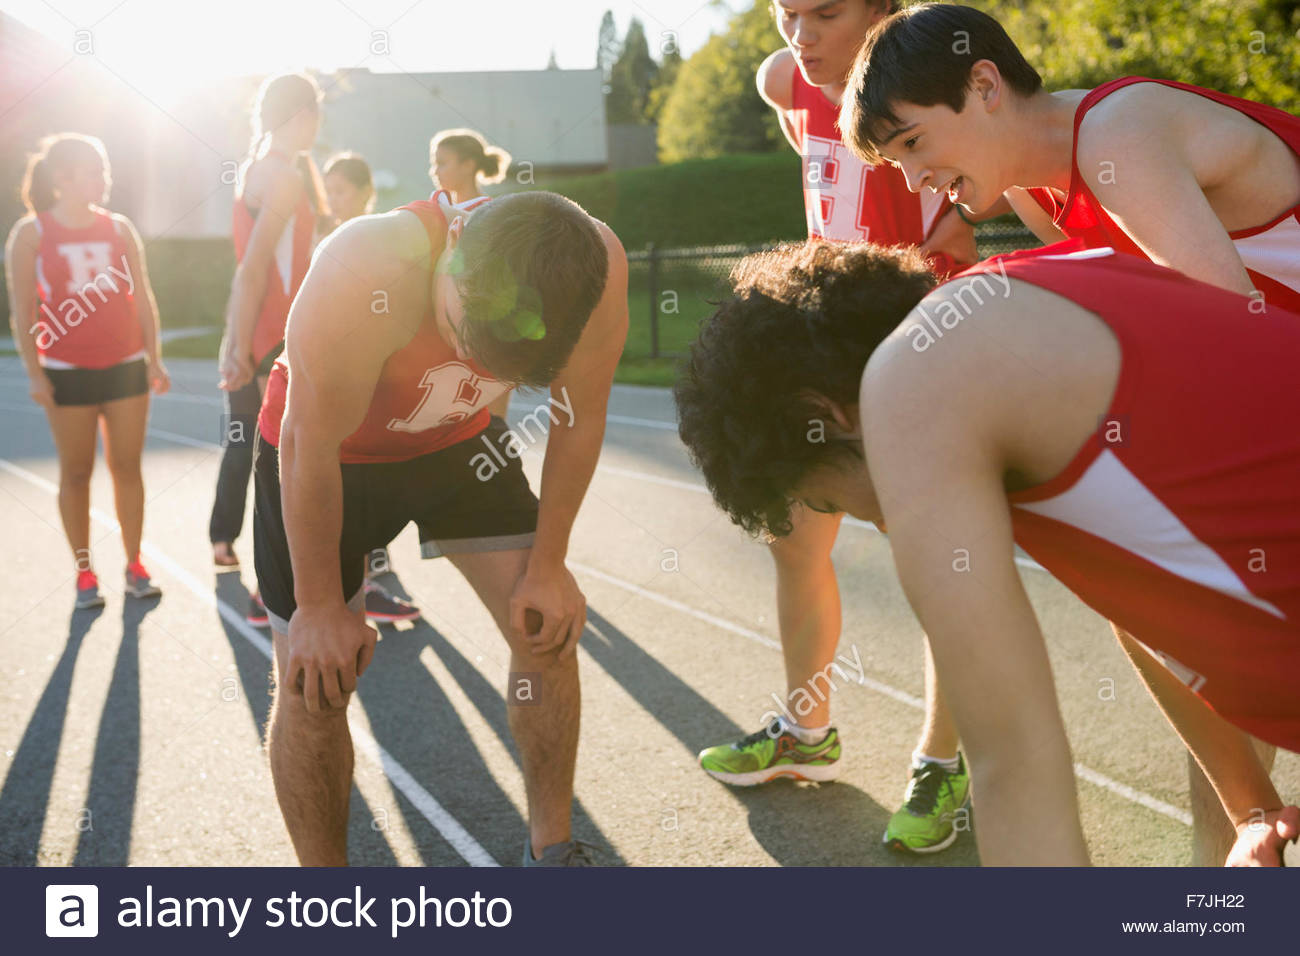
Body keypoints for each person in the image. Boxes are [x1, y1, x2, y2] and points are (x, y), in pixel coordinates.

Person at [840, 0, 1300, 863]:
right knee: (1153, 582)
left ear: (983, 85)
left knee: (1168, 573)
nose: (913, 182)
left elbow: (1229, 350)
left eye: (911, 145)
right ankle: (1247, 835)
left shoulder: (1117, 137)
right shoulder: (1043, 187)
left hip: (1273, 378)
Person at [675, 237, 1300, 866]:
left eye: (833, 501)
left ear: (829, 417)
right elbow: (1145, 609)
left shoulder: (916, 384)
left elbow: (1012, 766)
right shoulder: (1015, 308)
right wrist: (1250, 809)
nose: (878, 526)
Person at [253, 187, 628, 866]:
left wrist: (550, 564)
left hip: (461, 446)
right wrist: (315, 607)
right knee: (316, 681)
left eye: (502, 367)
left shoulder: (594, 264)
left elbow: (581, 417)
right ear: (454, 243)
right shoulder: (364, 267)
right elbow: (307, 441)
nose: (480, 369)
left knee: (542, 625)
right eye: (465, 341)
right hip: (332, 456)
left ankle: (553, 851)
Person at [694, 0, 978, 857]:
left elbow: (957, 243)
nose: (800, 34)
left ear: (885, 13)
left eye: (825, 13)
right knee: (795, 543)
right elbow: (776, 75)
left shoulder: (930, 103)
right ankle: (805, 728)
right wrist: (796, 60)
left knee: (938, 569)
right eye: (787, 13)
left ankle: (943, 763)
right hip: (814, 355)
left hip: (913, 354)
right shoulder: (802, 82)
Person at [5, 133, 169, 608]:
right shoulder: (31, 233)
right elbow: (24, 312)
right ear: (62, 178)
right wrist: (35, 373)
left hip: (125, 366)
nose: (105, 178)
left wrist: (154, 358)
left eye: (105, 168)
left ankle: (135, 565)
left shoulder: (119, 228)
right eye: (94, 170)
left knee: (127, 468)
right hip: (66, 371)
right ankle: (84, 573)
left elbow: (143, 296)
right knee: (76, 473)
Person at [209, 72, 326, 629]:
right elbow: (255, 269)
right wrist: (241, 342)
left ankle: (276, 581)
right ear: (300, 114)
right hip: (277, 334)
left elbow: (247, 269)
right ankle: (272, 589)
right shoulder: (281, 176)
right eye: (316, 112)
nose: (319, 124)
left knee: (272, 458)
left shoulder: (262, 171)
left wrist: (235, 337)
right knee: (283, 463)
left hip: (268, 332)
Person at [319, 151, 420, 626]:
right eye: (328, 189)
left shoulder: (384, 235)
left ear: (363, 191)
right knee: (344, 465)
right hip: (341, 365)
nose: (332, 199)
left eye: (339, 190)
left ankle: (372, 563)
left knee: (376, 464)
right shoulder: (325, 241)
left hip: (380, 366)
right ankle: (349, 573)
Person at [429, 128, 515, 422]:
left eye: (443, 162)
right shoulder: (434, 206)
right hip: (440, 333)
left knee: (492, 423)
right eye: (434, 163)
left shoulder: (492, 212)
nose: (435, 170)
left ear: (468, 165)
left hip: (482, 329)